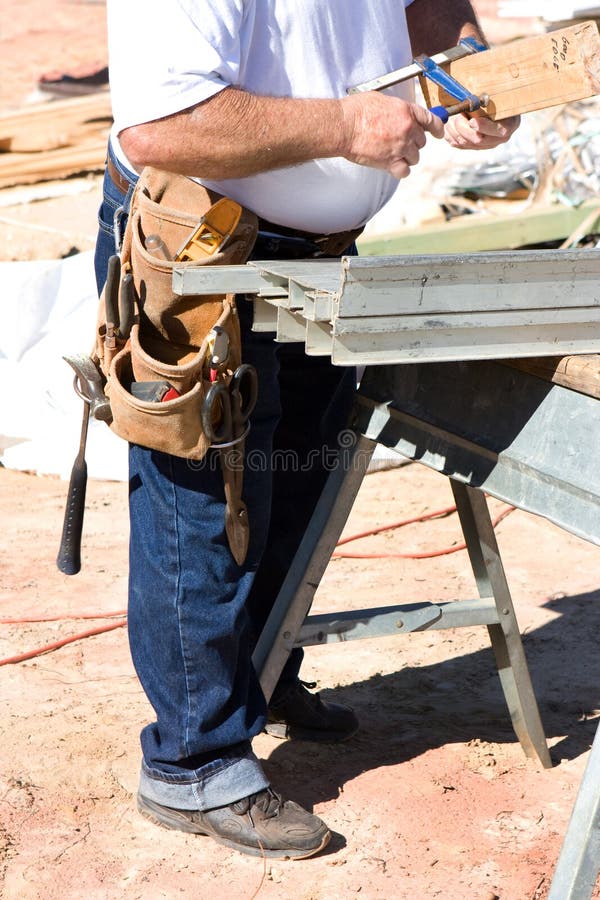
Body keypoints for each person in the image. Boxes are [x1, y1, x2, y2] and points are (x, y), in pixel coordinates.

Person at [95, 0, 519, 860]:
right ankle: (194, 761)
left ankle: (259, 670)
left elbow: (425, 7)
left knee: (299, 480)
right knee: (208, 502)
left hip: (318, 253)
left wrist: (465, 64)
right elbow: (159, 127)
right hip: (203, 243)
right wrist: (345, 125)